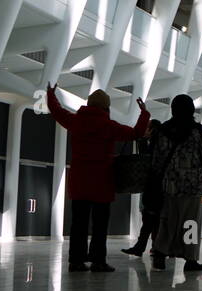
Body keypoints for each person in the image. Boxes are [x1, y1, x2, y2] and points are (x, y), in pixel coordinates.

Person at [46, 85, 150, 272]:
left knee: (78, 224)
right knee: (100, 225)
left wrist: (50, 94)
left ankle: (76, 261)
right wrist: (144, 114)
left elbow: (57, 111)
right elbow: (136, 134)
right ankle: (98, 261)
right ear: (106, 107)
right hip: (102, 182)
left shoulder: (76, 121)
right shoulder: (108, 126)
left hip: (79, 181)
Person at [148, 93, 202, 272]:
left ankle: (159, 254)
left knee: (167, 222)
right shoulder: (197, 132)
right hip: (192, 187)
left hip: (169, 187)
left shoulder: (163, 131)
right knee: (191, 224)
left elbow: (155, 160)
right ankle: (190, 259)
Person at [122, 118, 163, 258]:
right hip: (155, 188)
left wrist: (142, 141)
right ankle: (151, 247)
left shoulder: (157, 144)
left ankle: (152, 248)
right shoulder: (158, 143)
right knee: (152, 220)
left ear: (152, 130)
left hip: (154, 188)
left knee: (151, 219)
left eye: (147, 128)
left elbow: (147, 160)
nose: (145, 130)